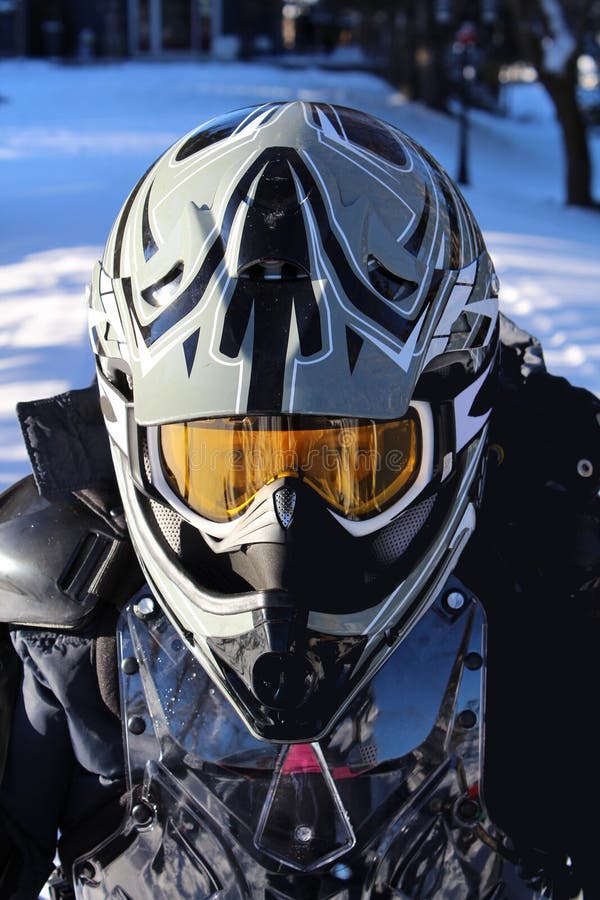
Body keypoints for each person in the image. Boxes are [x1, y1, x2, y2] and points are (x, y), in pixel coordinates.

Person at [0, 101, 598, 899]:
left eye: (353, 465)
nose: (277, 533)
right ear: (130, 437)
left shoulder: (560, 580)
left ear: (464, 427)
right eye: (226, 468)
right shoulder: (68, 613)